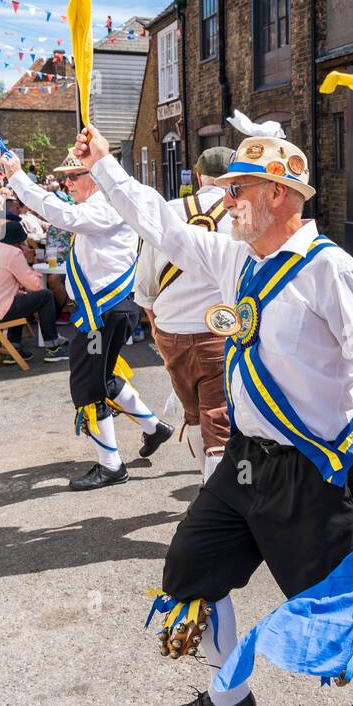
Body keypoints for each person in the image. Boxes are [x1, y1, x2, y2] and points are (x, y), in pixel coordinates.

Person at [77, 119, 353, 706]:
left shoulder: (331, 272)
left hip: (312, 469)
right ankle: (229, 695)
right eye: (229, 188)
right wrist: (104, 167)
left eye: (241, 189)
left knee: (329, 597)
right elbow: (163, 226)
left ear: (281, 196)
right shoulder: (236, 258)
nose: (226, 200)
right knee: (191, 570)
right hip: (242, 463)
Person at [0, 150, 174, 490]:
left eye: (73, 176)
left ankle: (111, 466)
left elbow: (60, 213)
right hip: (107, 310)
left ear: (95, 177)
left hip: (101, 314)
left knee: (87, 389)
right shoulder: (103, 206)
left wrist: (18, 178)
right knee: (102, 380)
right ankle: (154, 427)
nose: (67, 182)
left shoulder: (103, 207)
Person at [134, 144, 235, 482]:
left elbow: (145, 283)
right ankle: (218, 505)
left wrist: (157, 327)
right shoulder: (241, 214)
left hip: (171, 330)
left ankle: (208, 493)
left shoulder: (169, 212)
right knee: (218, 418)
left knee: (193, 415)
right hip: (221, 330)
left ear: (199, 176)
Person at [0, 217, 67, 361]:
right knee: (46, 296)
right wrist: (31, 264)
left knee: (18, 299)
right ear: (19, 241)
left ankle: (12, 348)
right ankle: (53, 348)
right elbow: (35, 286)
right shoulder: (13, 253)